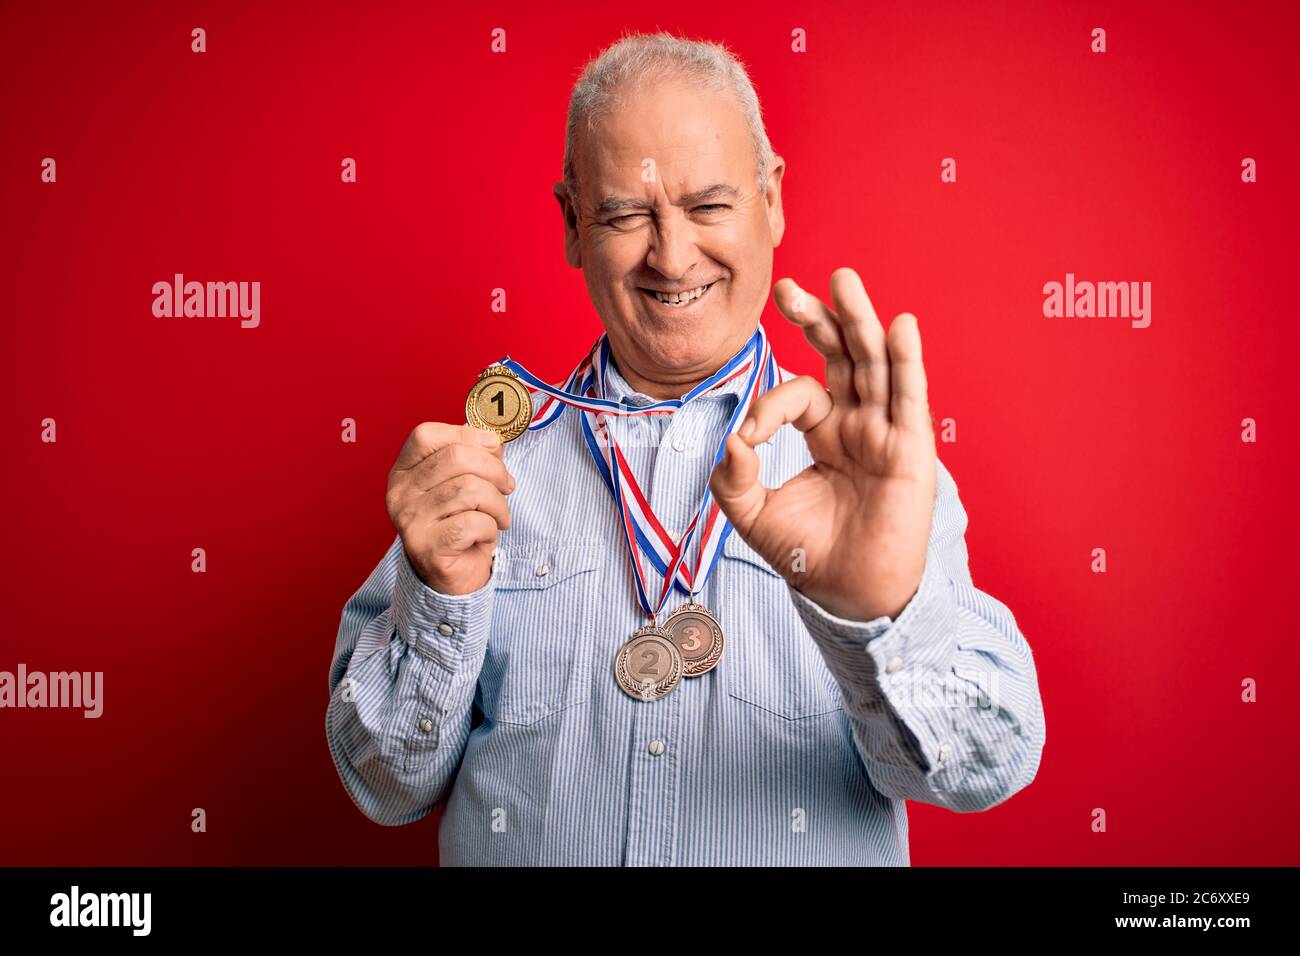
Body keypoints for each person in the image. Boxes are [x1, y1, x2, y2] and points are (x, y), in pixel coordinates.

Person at [325, 31, 1045, 866]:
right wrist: (437, 596)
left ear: (771, 199)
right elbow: (384, 789)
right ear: (570, 224)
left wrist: (874, 613)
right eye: (626, 215)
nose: (672, 257)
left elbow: (986, 768)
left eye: (708, 206)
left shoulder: (872, 478)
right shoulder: (483, 477)